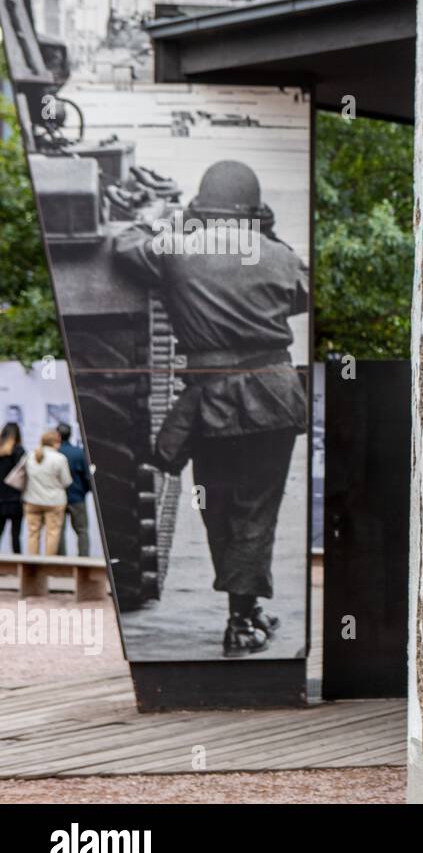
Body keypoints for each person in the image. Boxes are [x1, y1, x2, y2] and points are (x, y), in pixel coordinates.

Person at [114, 160, 308, 657]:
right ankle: (243, 618)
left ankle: (241, 615)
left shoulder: (178, 248)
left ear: (201, 205)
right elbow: (302, 294)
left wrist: (173, 219)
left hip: (211, 402)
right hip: (273, 398)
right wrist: (265, 236)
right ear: (255, 209)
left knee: (216, 507)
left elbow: (125, 245)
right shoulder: (279, 257)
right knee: (257, 509)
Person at [22, 430, 72, 556]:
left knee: (33, 534)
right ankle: (48, 566)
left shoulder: (30, 456)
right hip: (54, 501)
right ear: (56, 443)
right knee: (53, 533)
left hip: (32, 500)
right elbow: (66, 481)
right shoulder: (60, 459)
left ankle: (32, 567)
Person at [56, 423, 92, 556]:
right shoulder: (79, 453)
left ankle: (61, 561)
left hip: (58, 498)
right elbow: (88, 477)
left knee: (59, 530)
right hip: (77, 497)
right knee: (82, 530)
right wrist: (84, 491)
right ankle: (84, 560)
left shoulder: (55, 452)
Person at [0, 423, 25, 552]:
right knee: (15, 535)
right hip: (15, 499)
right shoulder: (19, 451)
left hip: (1, 499)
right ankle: (17, 563)